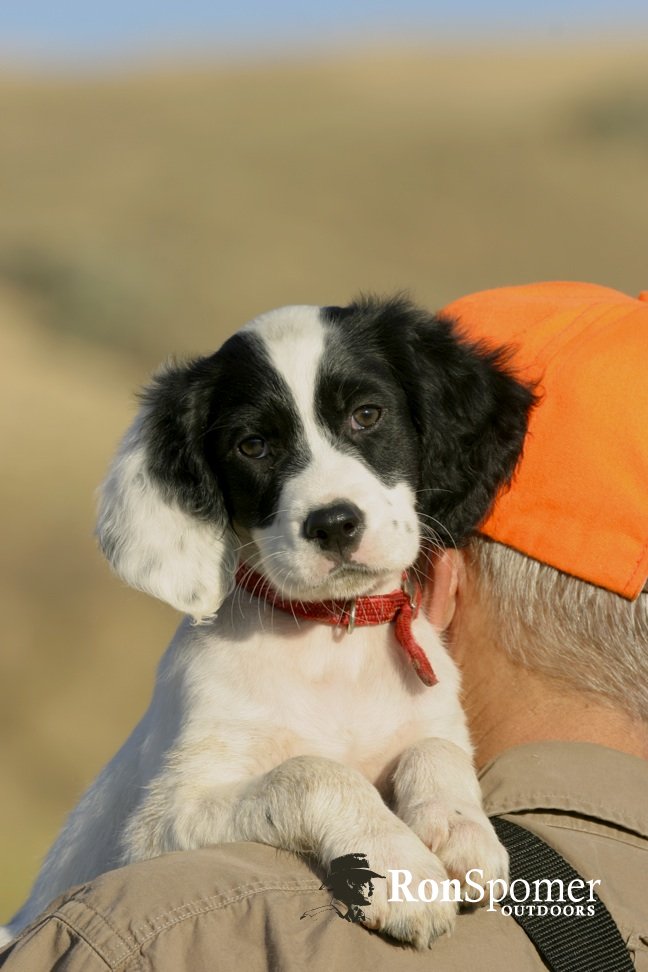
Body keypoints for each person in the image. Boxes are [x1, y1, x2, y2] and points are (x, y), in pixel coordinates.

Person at [1, 281, 646, 971]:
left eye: (366, 414)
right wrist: (320, 794)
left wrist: (438, 780)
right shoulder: (223, 662)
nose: (328, 501)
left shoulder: (421, 670)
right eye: (255, 444)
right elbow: (170, 824)